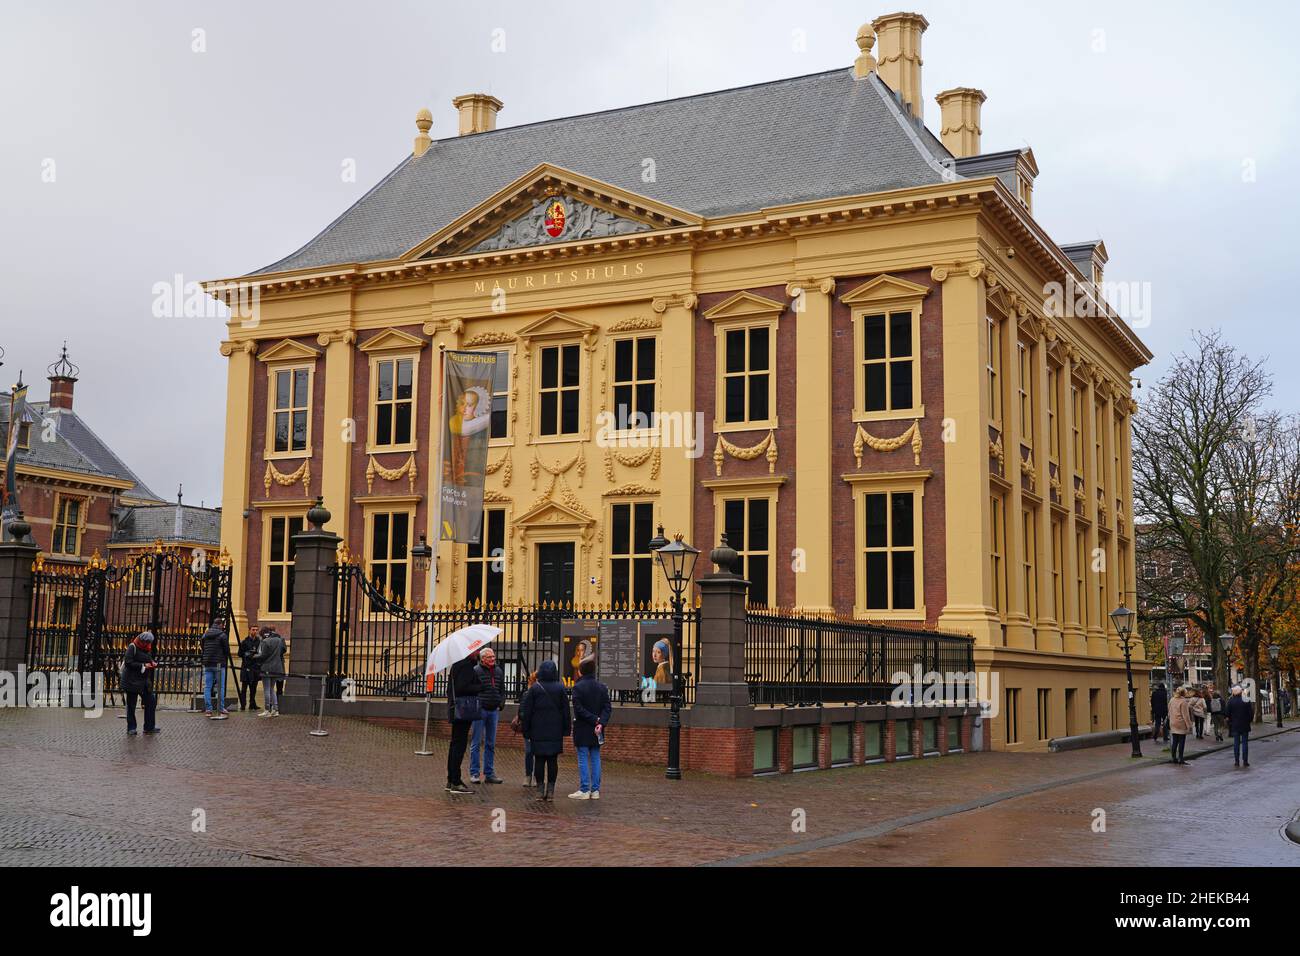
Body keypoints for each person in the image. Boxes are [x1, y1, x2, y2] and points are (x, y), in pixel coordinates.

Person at [519, 659, 570, 801]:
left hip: (537, 730)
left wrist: (526, 730)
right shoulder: (560, 688)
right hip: (555, 730)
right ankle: (551, 790)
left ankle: (540, 791)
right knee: (553, 761)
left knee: (539, 761)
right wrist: (566, 730)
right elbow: (566, 711)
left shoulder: (535, 688)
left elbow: (527, 712)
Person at [570, 658, 611, 800]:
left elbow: (578, 709)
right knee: (595, 757)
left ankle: (584, 789)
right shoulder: (602, 687)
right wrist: (601, 722)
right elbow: (607, 707)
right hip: (597, 729)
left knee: (582, 757)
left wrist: (594, 719)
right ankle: (595, 790)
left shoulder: (578, 688)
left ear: (580, 671)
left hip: (582, 727)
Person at [445, 651, 483, 794]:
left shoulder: (458, 665)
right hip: (463, 710)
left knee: (455, 744)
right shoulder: (466, 666)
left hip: (456, 710)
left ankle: (451, 779)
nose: (479, 652)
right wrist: (479, 686)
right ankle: (455, 781)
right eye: (477, 650)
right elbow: (463, 687)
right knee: (459, 745)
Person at [470, 646, 504, 785]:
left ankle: (489, 773)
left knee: (490, 743)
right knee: (476, 743)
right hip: (480, 710)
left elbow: (502, 688)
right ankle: (474, 773)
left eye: (493, 657)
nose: (493, 659)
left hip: (493, 710)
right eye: (490, 657)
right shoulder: (476, 671)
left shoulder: (498, 671)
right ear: (483, 659)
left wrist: (501, 702)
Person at [121, 631, 160, 736]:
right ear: (142, 641)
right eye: (147, 642)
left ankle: (149, 727)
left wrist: (152, 663)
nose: (149, 645)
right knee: (131, 705)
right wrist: (143, 666)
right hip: (131, 681)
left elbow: (147, 657)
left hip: (143, 681)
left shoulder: (146, 648)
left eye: (150, 643)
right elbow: (128, 662)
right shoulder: (132, 647)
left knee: (151, 701)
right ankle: (131, 728)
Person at [510, 670, 538, 788]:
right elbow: (521, 711)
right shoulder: (527, 694)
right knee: (529, 752)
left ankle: (535, 776)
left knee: (535, 753)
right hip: (529, 727)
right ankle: (528, 775)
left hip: (536, 727)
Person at [254, 626, 286, 717]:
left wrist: (254, 656)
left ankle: (267, 710)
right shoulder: (279, 640)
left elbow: (263, 655)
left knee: (267, 690)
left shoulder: (265, 641)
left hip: (267, 668)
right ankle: (275, 710)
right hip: (277, 668)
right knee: (272, 689)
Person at [200, 624, 230, 720]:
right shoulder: (222, 635)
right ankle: (220, 708)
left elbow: (203, 647)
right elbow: (226, 650)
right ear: (220, 625)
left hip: (207, 663)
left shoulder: (205, 635)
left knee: (207, 686)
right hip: (219, 663)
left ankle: (208, 709)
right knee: (220, 686)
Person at [1226, 685, 1253, 767]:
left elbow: (1227, 714)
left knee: (1236, 743)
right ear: (1241, 692)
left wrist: (1231, 721)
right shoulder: (1246, 700)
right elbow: (1251, 713)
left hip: (1235, 724)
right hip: (1245, 724)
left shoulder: (1230, 701)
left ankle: (1236, 761)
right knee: (1245, 743)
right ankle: (1245, 761)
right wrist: (1249, 720)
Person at [238, 628, 261, 712]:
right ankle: (243, 704)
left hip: (255, 667)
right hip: (246, 666)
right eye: (253, 630)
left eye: (256, 630)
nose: (255, 631)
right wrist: (246, 654)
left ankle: (252, 703)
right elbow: (239, 653)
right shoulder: (244, 642)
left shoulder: (259, 642)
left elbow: (261, 653)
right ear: (249, 631)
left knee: (253, 687)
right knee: (244, 687)